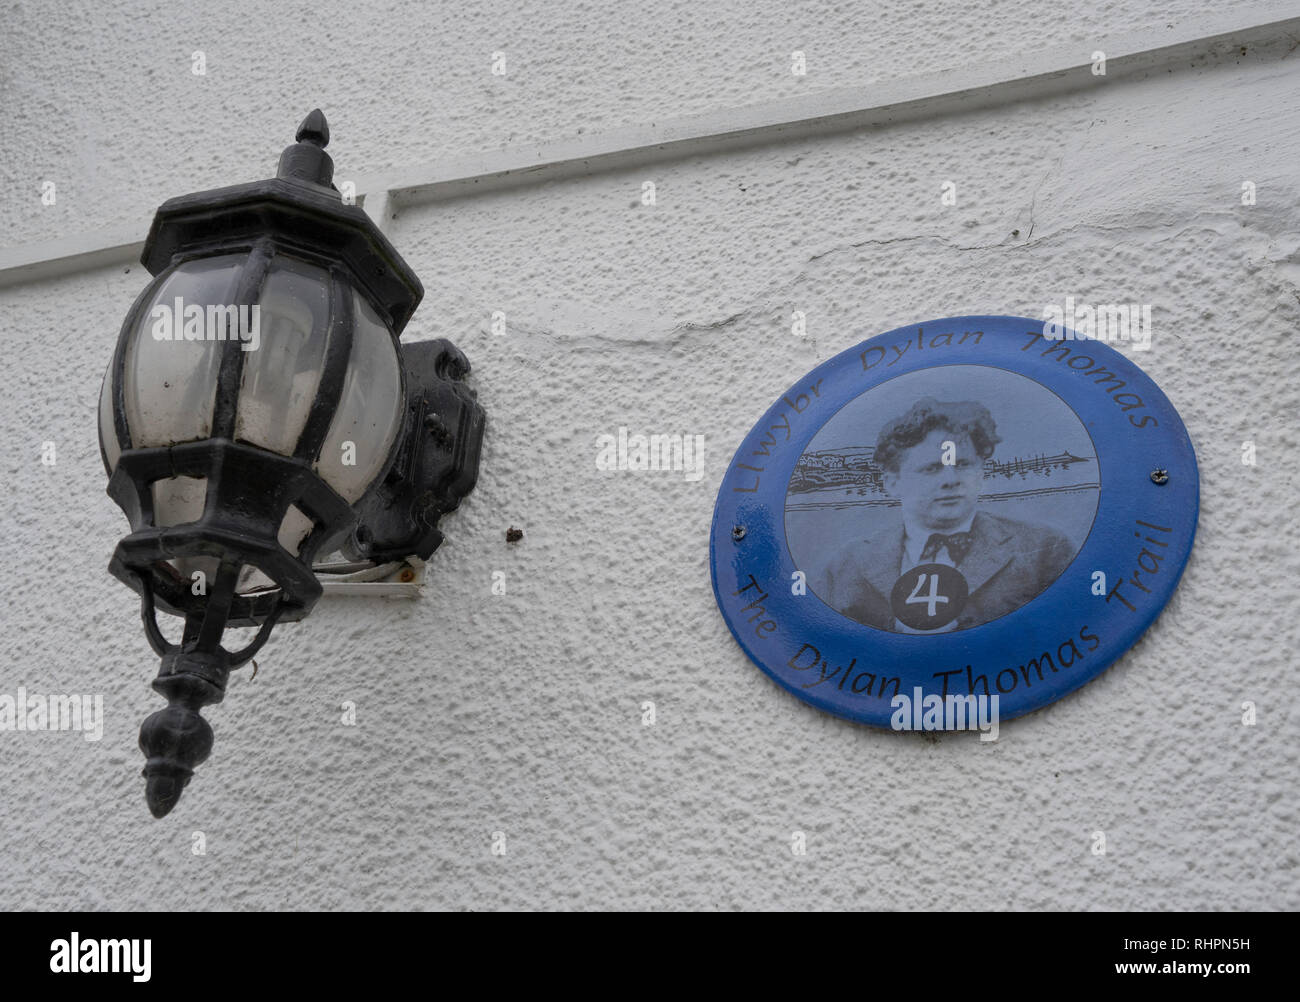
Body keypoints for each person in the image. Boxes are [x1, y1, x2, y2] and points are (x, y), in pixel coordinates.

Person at [811, 397, 1074, 632]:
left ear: (981, 474)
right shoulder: (847, 566)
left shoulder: (1043, 551)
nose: (951, 480)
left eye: (963, 465)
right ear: (892, 482)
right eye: (932, 469)